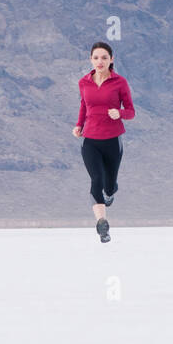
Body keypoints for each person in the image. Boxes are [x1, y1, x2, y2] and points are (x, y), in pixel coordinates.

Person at [72, 43, 135, 242]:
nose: (100, 61)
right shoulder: (84, 82)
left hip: (112, 140)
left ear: (111, 60)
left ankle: (110, 192)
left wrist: (120, 113)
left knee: (108, 185)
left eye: (104, 58)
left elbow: (131, 111)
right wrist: (78, 125)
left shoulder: (120, 82)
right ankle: (102, 224)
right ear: (90, 59)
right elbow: (84, 105)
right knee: (96, 179)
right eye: (96, 57)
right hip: (90, 140)